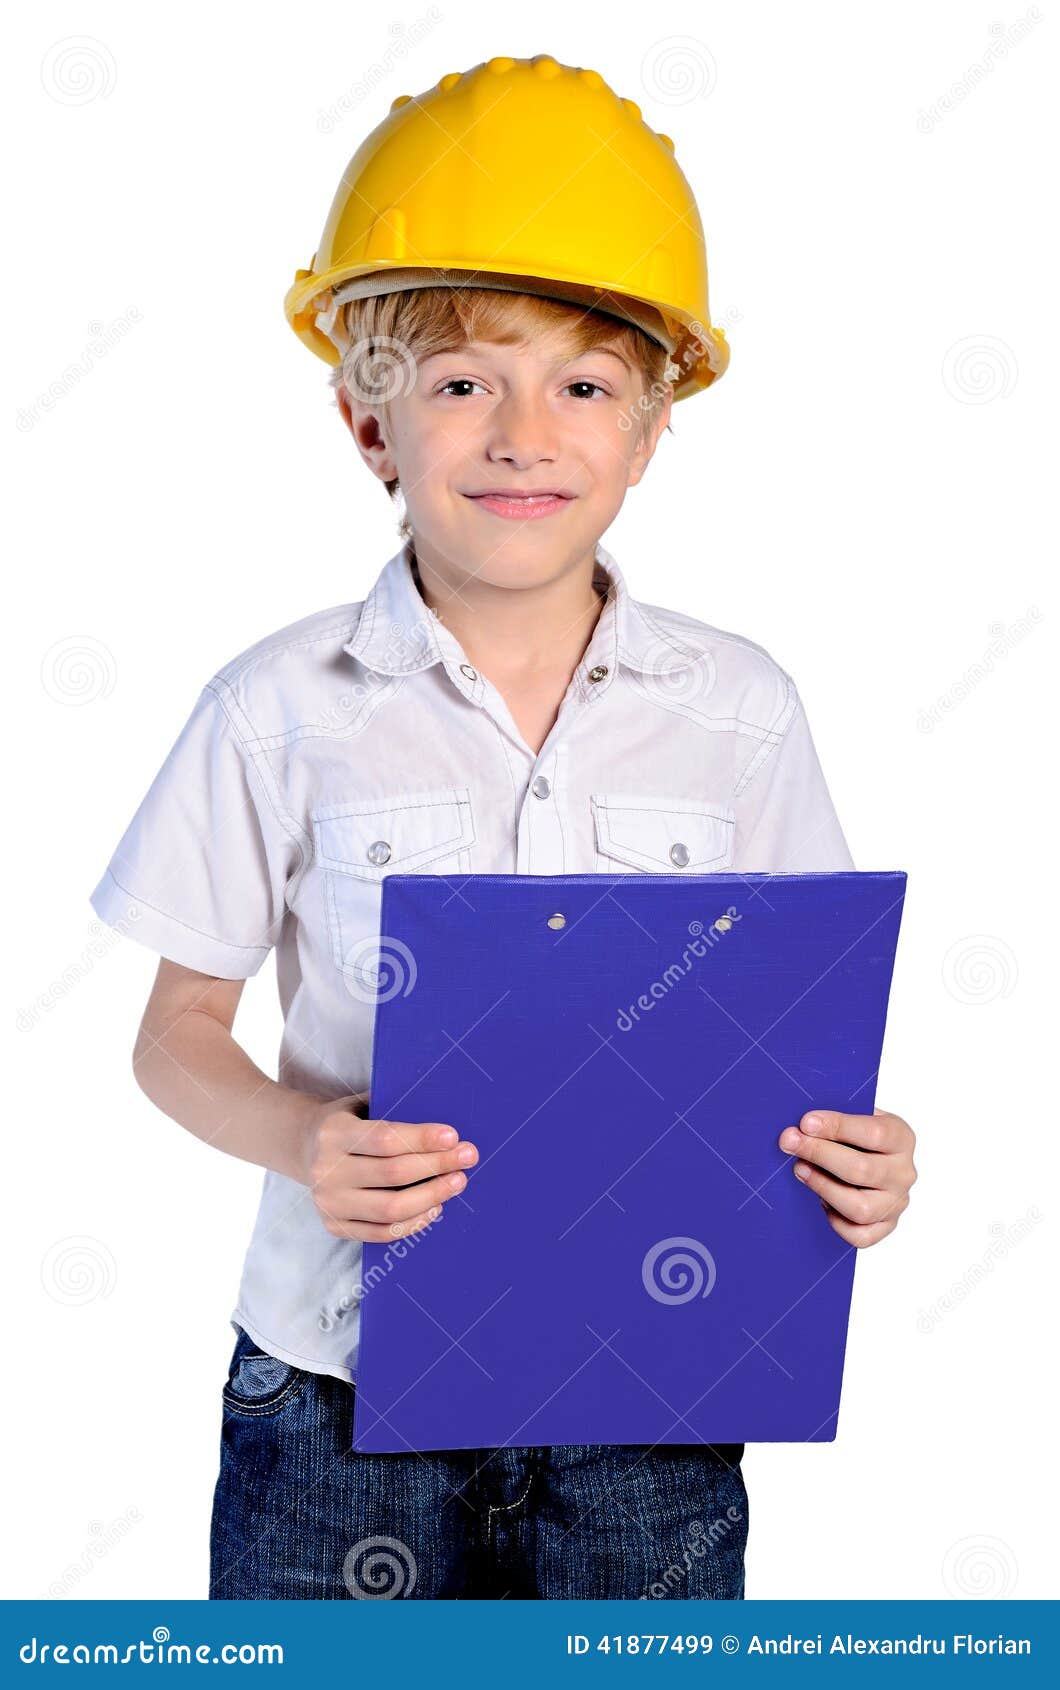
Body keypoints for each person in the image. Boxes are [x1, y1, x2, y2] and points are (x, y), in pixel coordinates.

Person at [89, 54, 917, 1600]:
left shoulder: (741, 710)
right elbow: (174, 1033)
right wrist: (304, 1140)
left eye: (584, 386)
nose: (525, 432)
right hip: (334, 1400)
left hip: (650, 1412)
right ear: (370, 422)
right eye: (464, 381)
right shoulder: (279, 707)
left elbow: (799, 1029)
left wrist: (862, 1159)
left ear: (649, 432)